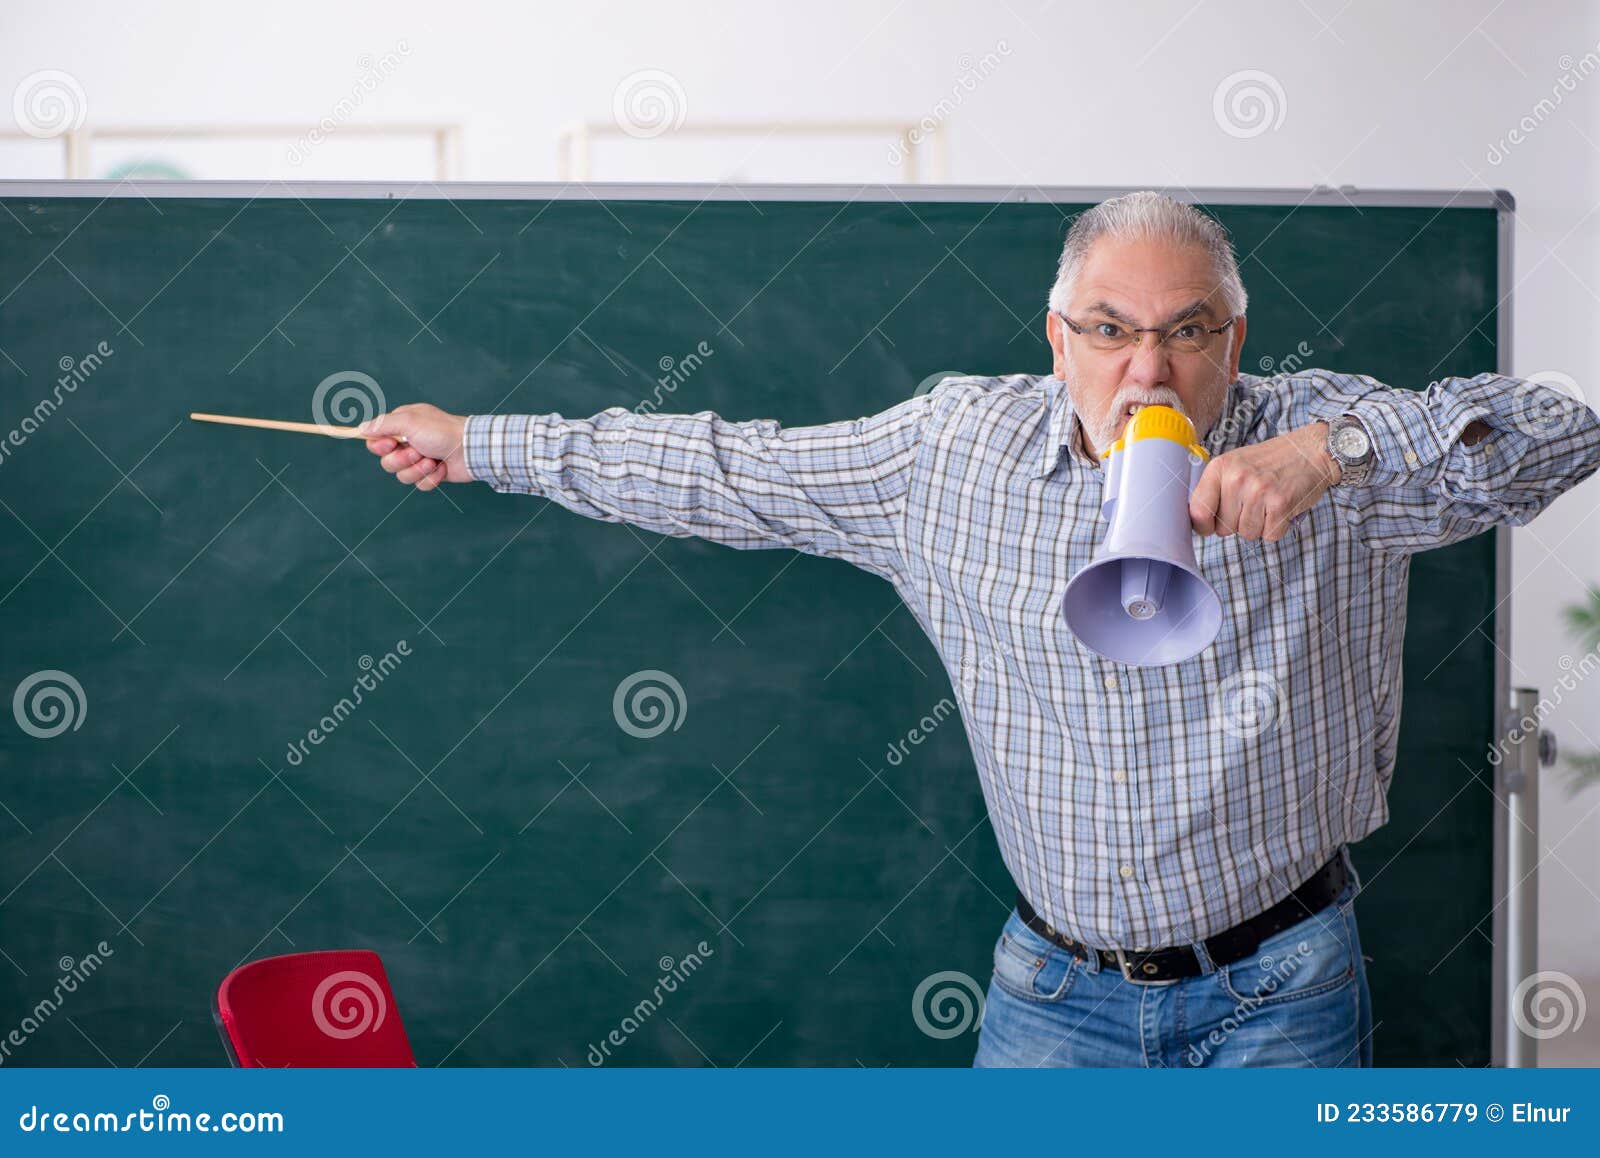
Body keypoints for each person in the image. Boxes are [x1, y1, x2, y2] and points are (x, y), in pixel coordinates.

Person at [358, 190, 1600, 1067]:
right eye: (1110, 330)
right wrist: (480, 444)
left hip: (1283, 988)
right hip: (1054, 997)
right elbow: (725, 468)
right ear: (1058, 341)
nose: (1148, 371)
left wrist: (1335, 451)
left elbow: (1564, 425)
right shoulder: (952, 452)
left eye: (1187, 332)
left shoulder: (1320, 442)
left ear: (1236, 340)